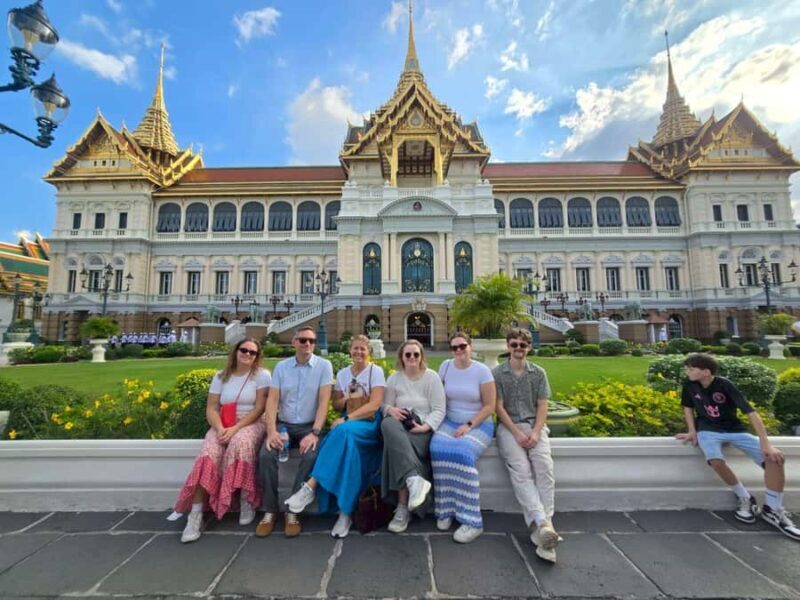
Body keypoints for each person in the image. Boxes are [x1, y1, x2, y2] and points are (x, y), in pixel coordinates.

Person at [676, 353, 799, 540]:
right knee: (716, 460)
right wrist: (692, 430)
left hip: (734, 430)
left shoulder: (724, 385)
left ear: (706, 372)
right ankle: (745, 498)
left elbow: (750, 412)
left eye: (691, 368)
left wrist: (766, 443)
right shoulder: (689, 384)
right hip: (707, 430)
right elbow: (688, 407)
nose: (688, 371)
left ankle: (772, 509)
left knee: (775, 459)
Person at [284, 334, 386, 538]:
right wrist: (347, 396)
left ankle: (311, 486)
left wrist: (348, 419)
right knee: (349, 454)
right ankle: (345, 514)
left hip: (367, 423)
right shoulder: (343, 374)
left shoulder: (376, 371)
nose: (358, 352)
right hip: (347, 424)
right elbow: (337, 405)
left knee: (339, 431)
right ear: (350, 351)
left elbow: (375, 405)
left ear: (369, 353)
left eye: (362, 349)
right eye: (355, 348)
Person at [173, 337, 270, 543]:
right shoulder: (221, 376)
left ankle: (246, 499)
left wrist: (235, 428)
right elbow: (211, 408)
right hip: (222, 424)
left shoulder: (261, 376)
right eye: (244, 350)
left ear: (257, 357)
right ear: (236, 351)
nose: (247, 355)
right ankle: (196, 513)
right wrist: (219, 429)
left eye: (253, 353)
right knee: (208, 454)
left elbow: (260, 408)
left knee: (240, 443)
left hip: (250, 423)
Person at [256, 325, 333, 538]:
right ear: (294, 342)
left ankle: (292, 510)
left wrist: (315, 432)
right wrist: (271, 431)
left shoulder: (324, 366)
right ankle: (270, 510)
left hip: (309, 425)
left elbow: (324, 402)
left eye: (311, 341)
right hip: (284, 425)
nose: (307, 344)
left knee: (311, 456)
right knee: (265, 455)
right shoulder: (282, 367)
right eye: (302, 340)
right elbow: (272, 401)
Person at [493, 328, 561, 563]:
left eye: (522, 345)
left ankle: (544, 524)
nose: (518, 348)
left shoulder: (538, 373)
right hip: (509, 428)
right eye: (514, 344)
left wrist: (534, 432)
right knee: (521, 471)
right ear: (507, 346)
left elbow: (543, 406)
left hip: (535, 426)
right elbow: (499, 408)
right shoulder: (498, 373)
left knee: (544, 467)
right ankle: (542, 523)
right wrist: (516, 432)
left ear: (529, 347)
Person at [430, 333, 496, 543]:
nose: (458, 351)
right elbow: (437, 395)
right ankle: (446, 509)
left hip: (478, 423)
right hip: (450, 421)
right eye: (454, 347)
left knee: (462, 453)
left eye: (462, 346)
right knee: (437, 448)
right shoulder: (446, 366)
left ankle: (471, 520)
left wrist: (469, 425)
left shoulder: (482, 371)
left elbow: (490, 406)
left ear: (470, 346)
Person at [381, 339, 445, 533]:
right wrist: (390, 409)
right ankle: (413, 481)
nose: (411, 358)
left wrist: (425, 426)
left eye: (415, 354)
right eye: (407, 354)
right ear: (401, 357)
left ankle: (402, 508)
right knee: (387, 422)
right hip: (400, 427)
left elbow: (439, 409)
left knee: (394, 449)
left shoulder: (431, 378)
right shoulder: (394, 379)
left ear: (421, 357)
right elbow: (385, 406)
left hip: (422, 431)